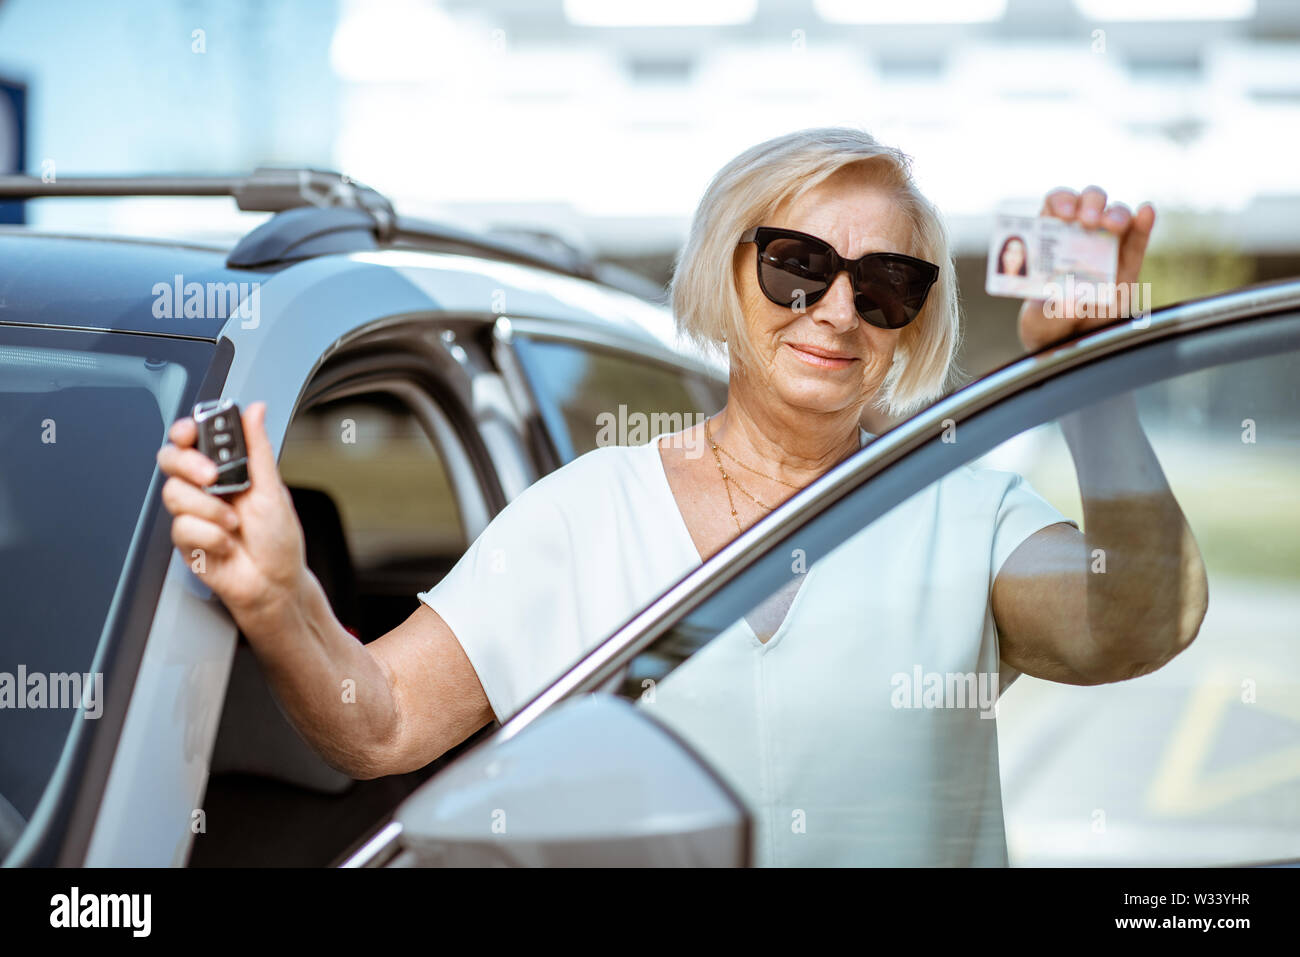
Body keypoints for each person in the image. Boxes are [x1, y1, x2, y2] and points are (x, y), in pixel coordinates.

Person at [157, 127, 1207, 864]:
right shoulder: (585, 511)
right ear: (724, 268)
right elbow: (376, 726)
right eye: (798, 266)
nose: (837, 310)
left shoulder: (961, 507)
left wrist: (1096, 384)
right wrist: (278, 598)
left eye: (884, 283)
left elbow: (1136, 621)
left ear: (911, 324)